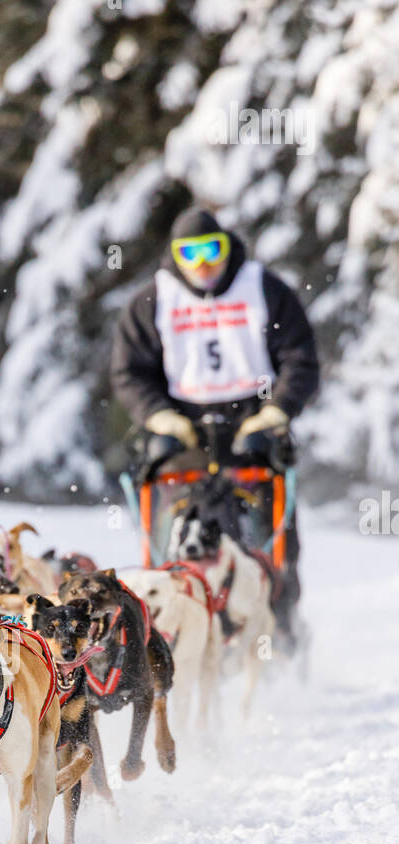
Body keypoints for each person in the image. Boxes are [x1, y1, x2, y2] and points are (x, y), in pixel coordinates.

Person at [110, 207, 319, 626]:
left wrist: (276, 412)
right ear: (175, 256)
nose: (203, 264)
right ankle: (177, 623)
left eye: (212, 250)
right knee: (176, 530)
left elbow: (301, 359)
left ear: (228, 247)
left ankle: (279, 626)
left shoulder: (264, 288)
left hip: (253, 429)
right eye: (190, 254)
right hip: (184, 432)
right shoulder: (153, 300)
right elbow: (129, 371)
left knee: (270, 539)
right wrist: (159, 416)